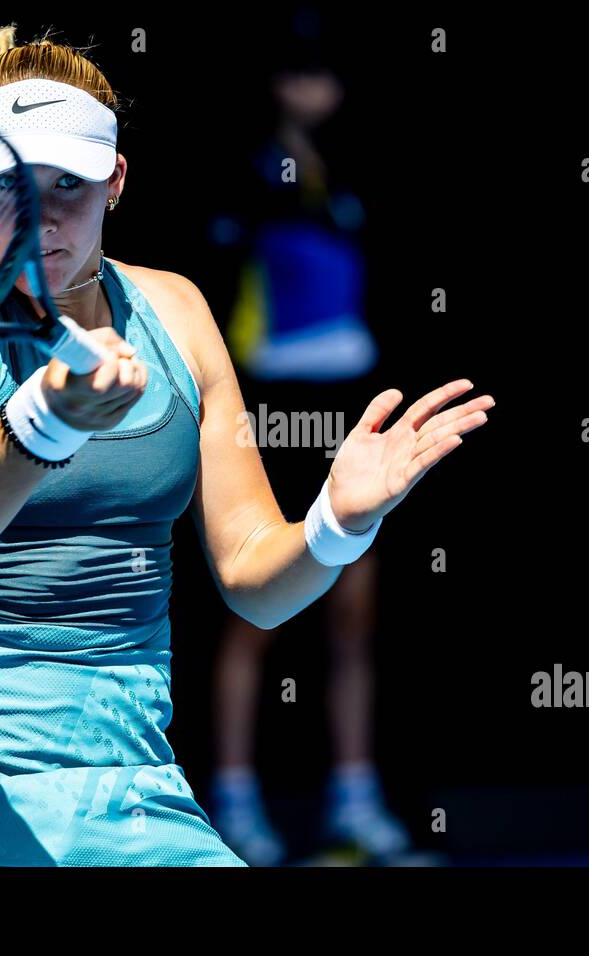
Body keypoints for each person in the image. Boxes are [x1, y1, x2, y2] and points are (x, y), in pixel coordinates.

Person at [0, 24, 493, 867]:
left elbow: (255, 581)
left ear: (116, 181)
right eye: (7, 185)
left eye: (69, 184)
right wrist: (44, 423)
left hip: (128, 794)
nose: (42, 215)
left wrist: (336, 523)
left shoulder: (180, 312)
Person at [206, 40, 410, 866]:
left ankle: (355, 804)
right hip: (273, 408)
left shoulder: (356, 172)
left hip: (349, 406)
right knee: (256, 611)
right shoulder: (246, 176)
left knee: (353, 615)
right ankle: (232, 807)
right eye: (295, 72)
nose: (310, 87)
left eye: (323, 73)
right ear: (273, 85)